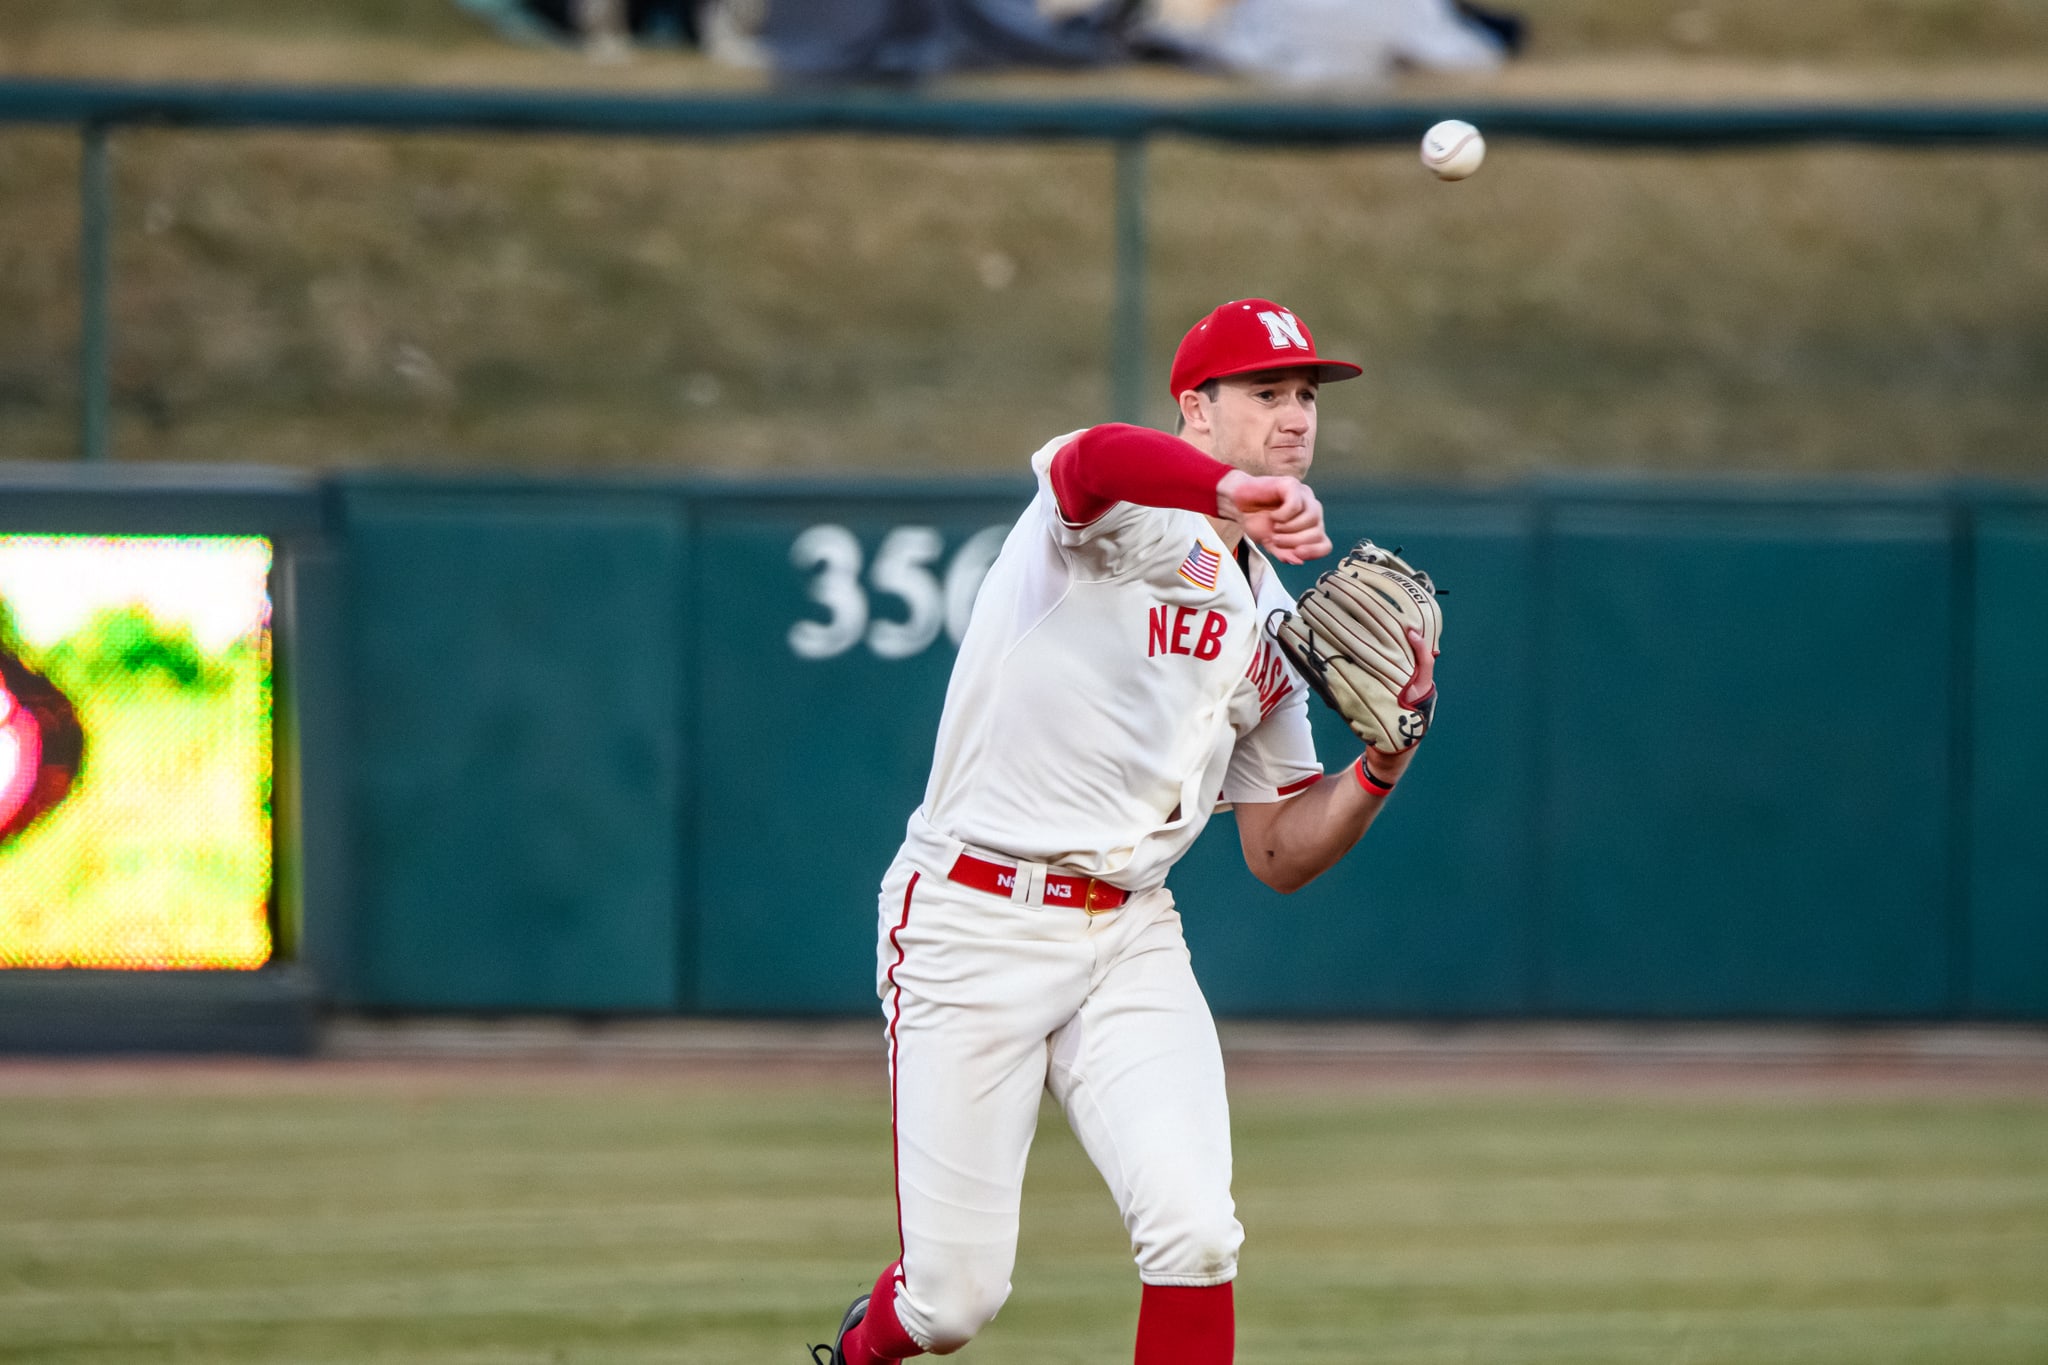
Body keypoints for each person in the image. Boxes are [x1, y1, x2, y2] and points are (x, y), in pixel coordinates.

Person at [811, 299, 1424, 1365]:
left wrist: (1380, 767)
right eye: (1265, 392)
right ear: (1196, 407)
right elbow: (1092, 456)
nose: (1294, 416)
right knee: (949, 1305)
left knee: (1196, 1234)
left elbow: (1277, 851)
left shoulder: (1273, 622)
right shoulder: (1123, 516)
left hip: (1128, 932)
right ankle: (863, 1351)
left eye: (1305, 396)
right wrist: (1225, 493)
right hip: (970, 916)